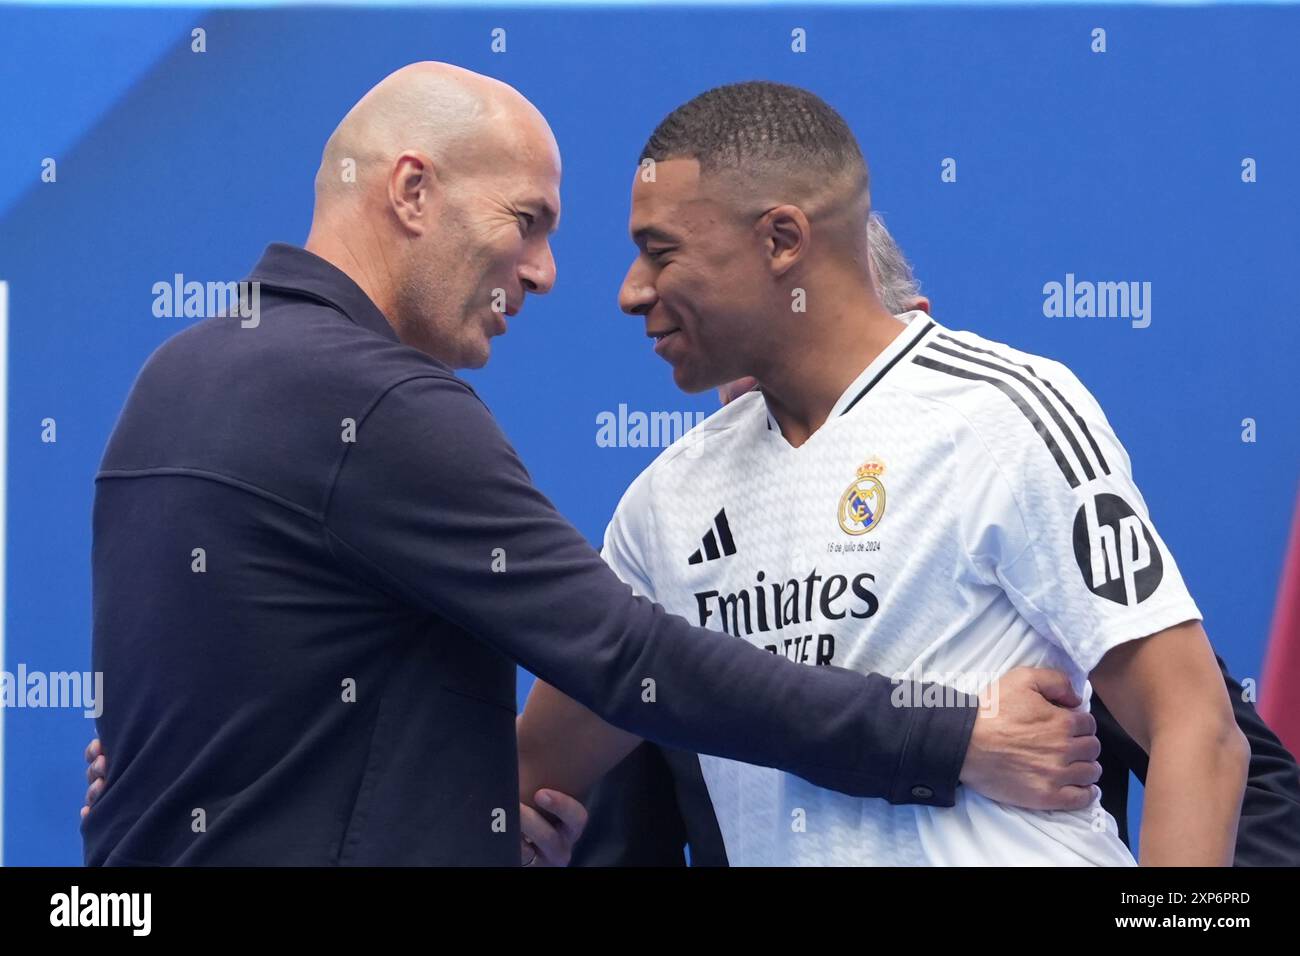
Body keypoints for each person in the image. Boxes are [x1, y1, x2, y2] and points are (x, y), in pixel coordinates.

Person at [83, 64, 1098, 867]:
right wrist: (949, 736)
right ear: (411, 190)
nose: (545, 272)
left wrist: (479, 827)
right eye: (527, 221)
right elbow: (626, 657)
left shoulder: (172, 379)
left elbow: (220, 729)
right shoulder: (382, 403)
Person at [515, 81, 1249, 865]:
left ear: (782, 240)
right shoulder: (663, 503)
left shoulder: (1006, 412)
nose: (631, 292)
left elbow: (1198, 731)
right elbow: (529, 779)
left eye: (660, 252)